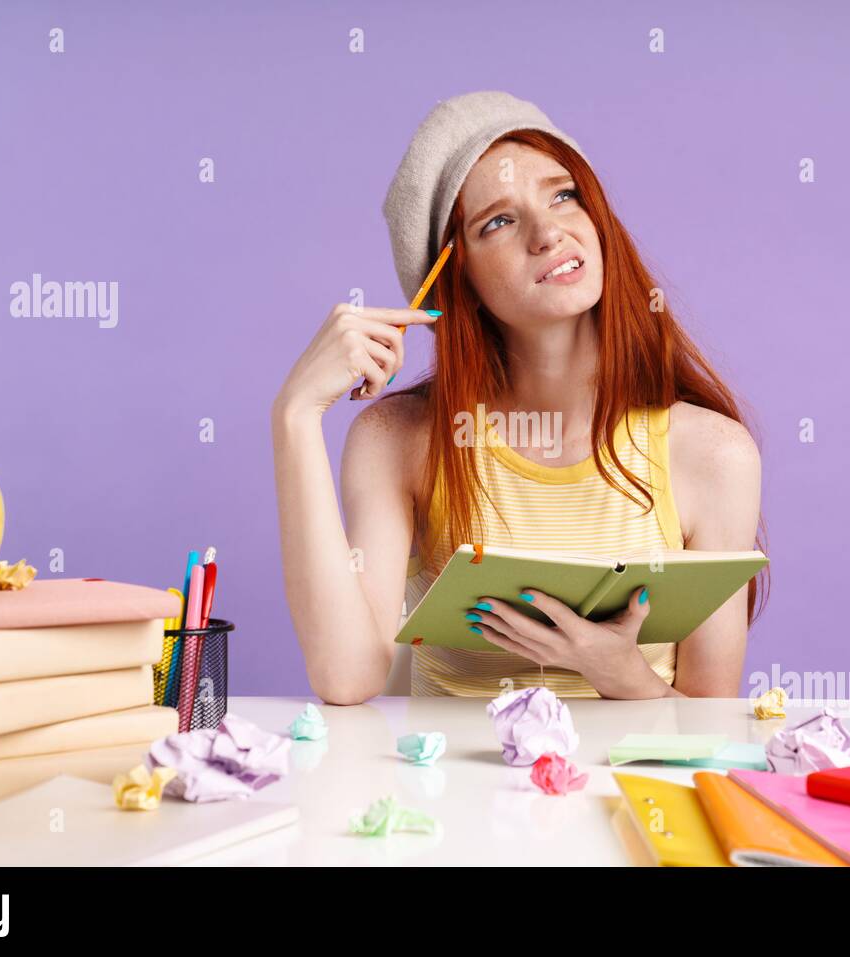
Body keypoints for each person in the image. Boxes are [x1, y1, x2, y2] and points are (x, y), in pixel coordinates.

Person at [272, 91, 766, 703]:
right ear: (457, 282)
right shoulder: (397, 439)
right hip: (453, 796)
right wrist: (295, 415)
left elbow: (711, 725)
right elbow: (345, 680)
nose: (549, 232)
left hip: (630, 796)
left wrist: (623, 677)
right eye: (498, 222)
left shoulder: (715, 454)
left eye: (564, 195)